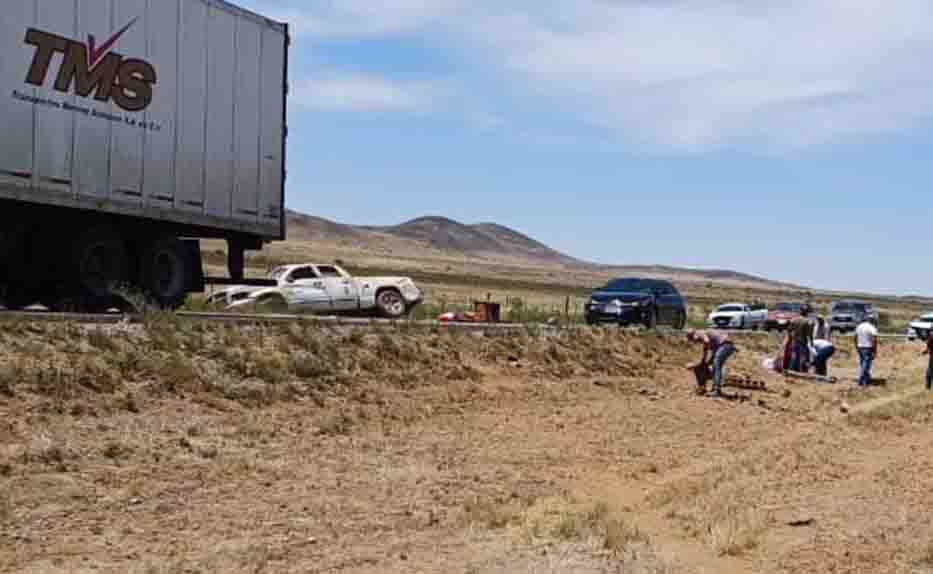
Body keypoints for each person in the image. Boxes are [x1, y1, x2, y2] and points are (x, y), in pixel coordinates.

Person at [687, 330, 737, 398]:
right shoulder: (703, 338)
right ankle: (704, 387)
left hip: (725, 345)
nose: (695, 342)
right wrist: (703, 362)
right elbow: (708, 349)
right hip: (722, 346)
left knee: (716, 364)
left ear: (693, 335)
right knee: (709, 365)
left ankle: (717, 390)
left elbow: (706, 341)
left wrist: (704, 358)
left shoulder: (699, 333)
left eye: (693, 340)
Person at [854, 317, 879, 387]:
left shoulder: (859, 326)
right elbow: (874, 339)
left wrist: (856, 345)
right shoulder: (871, 327)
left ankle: (866, 379)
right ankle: (861, 379)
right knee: (866, 364)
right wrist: (875, 350)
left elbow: (855, 337)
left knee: (862, 363)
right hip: (868, 347)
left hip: (860, 346)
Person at [788, 304, 813, 372]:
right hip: (803, 342)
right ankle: (801, 371)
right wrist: (811, 342)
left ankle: (791, 370)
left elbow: (789, 330)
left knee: (794, 356)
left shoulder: (794, 319)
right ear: (807, 312)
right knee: (803, 358)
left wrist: (791, 338)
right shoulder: (808, 321)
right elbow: (809, 334)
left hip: (794, 341)